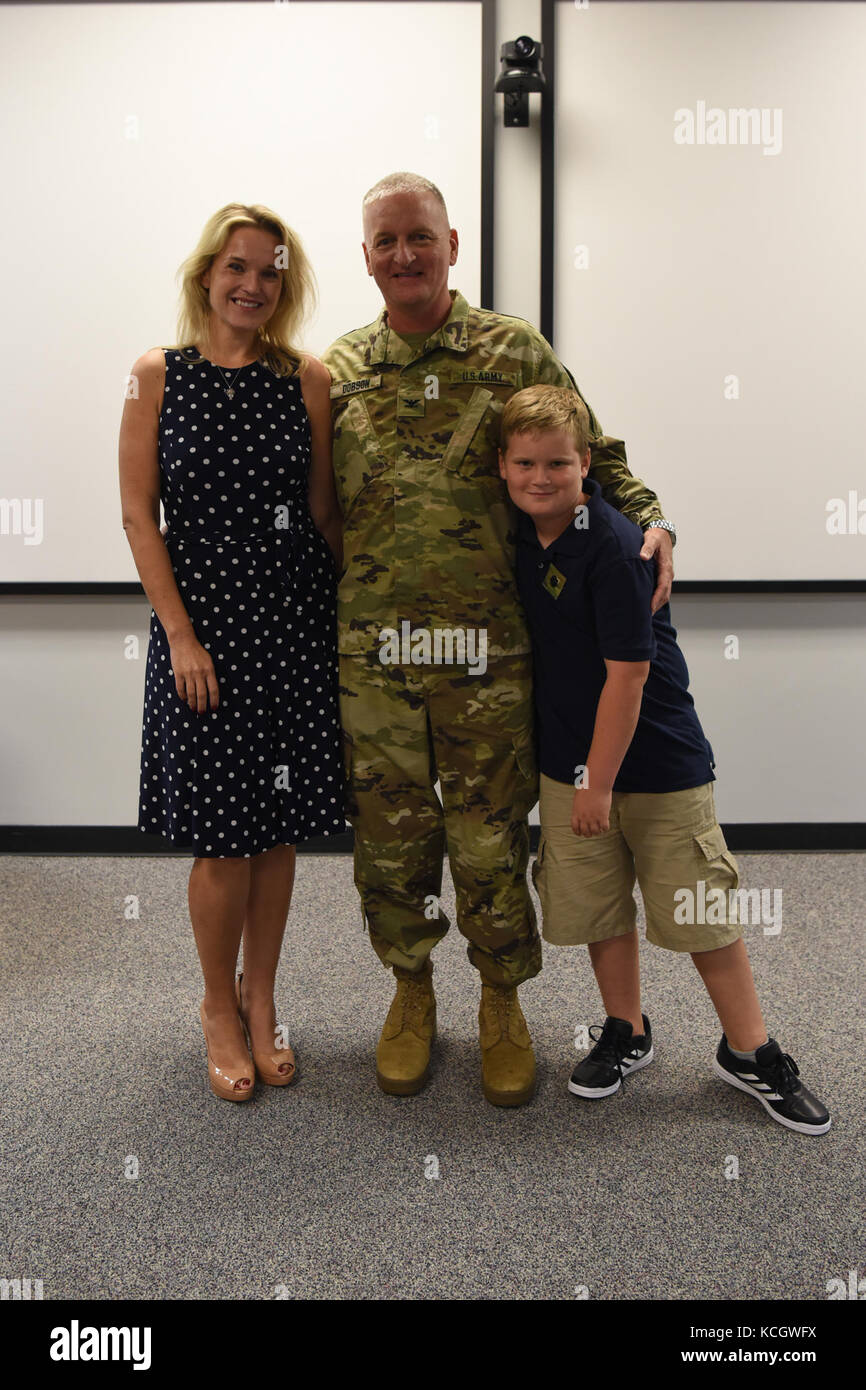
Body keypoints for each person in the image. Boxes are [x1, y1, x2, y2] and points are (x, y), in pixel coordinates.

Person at [322, 172, 676, 1106]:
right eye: (386, 240)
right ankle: (409, 991)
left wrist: (653, 523)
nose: (405, 254)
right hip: (376, 654)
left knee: (486, 837)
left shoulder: (512, 350)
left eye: (421, 237)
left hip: (487, 652)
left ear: (452, 245)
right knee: (394, 840)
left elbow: (596, 455)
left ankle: (501, 999)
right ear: (366, 257)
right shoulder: (338, 369)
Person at [501, 383, 830, 1134]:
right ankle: (626, 1029)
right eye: (525, 463)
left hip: (651, 763)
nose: (541, 477)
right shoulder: (516, 535)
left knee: (701, 909)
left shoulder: (617, 545)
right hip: (568, 761)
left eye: (558, 463)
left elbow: (630, 676)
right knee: (599, 908)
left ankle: (750, 1051)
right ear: (503, 466)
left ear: (588, 463)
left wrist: (599, 784)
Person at [119, 203, 346, 1102]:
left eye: (271, 271)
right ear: (207, 274)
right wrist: (180, 634)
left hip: (292, 631)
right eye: (237, 267)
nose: (252, 284)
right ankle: (218, 1006)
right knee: (222, 839)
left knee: (278, 833)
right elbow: (141, 514)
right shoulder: (157, 375)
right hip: (202, 635)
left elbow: (324, 514)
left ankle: (263, 1001)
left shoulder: (308, 380)